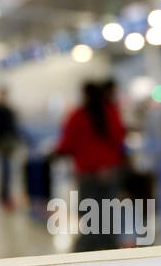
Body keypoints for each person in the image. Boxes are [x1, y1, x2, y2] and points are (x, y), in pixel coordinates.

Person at [52, 81, 126, 252]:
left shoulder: (78, 116)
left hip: (87, 174)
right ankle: (110, 250)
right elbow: (119, 138)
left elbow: (67, 144)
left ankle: (89, 253)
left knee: (89, 216)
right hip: (109, 172)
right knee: (108, 215)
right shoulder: (110, 112)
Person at [0, 88, 20, 209]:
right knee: (4, 170)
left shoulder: (8, 109)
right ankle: (4, 196)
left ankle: (6, 194)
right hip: (2, 143)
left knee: (8, 170)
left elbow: (13, 127)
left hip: (9, 143)